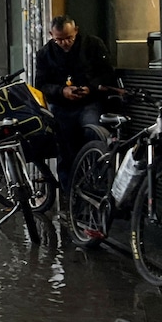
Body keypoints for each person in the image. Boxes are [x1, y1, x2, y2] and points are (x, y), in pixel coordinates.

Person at [34, 15, 115, 190]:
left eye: (69, 38)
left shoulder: (93, 45)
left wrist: (90, 88)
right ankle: (69, 192)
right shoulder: (44, 54)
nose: (65, 43)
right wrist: (62, 90)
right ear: (51, 35)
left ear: (76, 31)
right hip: (62, 105)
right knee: (64, 146)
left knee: (94, 133)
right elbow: (41, 84)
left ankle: (99, 183)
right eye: (59, 40)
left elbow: (108, 73)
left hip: (89, 102)